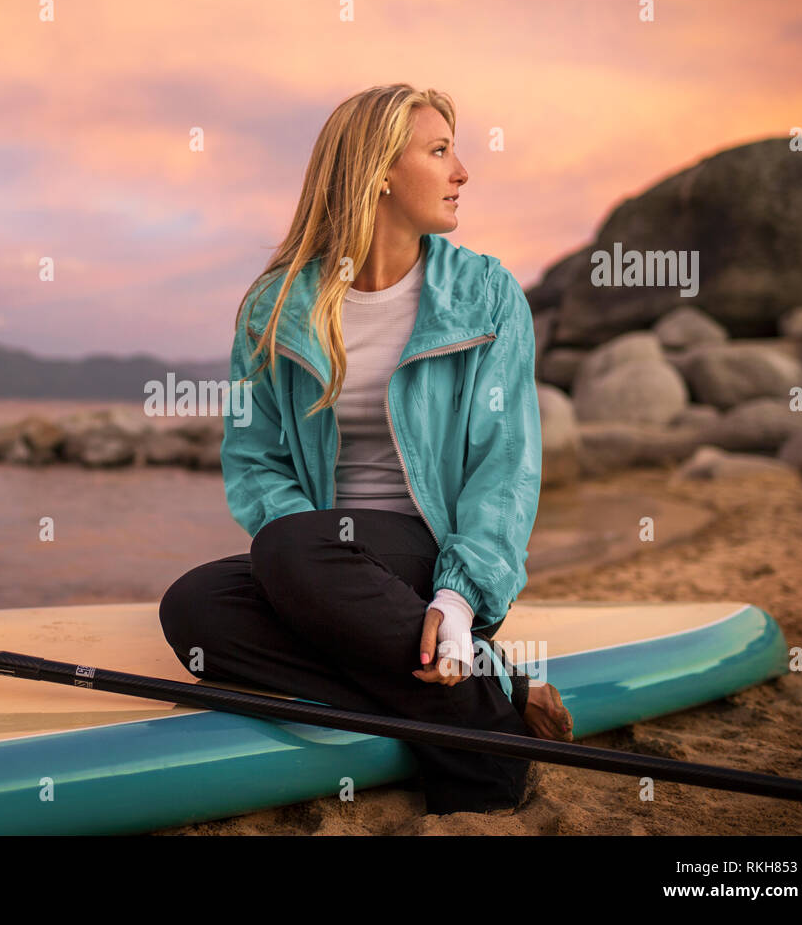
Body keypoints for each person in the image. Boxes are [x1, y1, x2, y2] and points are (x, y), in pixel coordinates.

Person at [158, 83, 573, 816]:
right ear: (380, 171)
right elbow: (254, 461)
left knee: (292, 554)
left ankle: (475, 728)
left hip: (435, 560)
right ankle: (495, 688)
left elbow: (505, 471)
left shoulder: (485, 294)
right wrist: (297, 550)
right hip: (327, 570)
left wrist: (457, 596)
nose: (463, 172)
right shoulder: (277, 305)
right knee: (193, 608)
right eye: (440, 151)